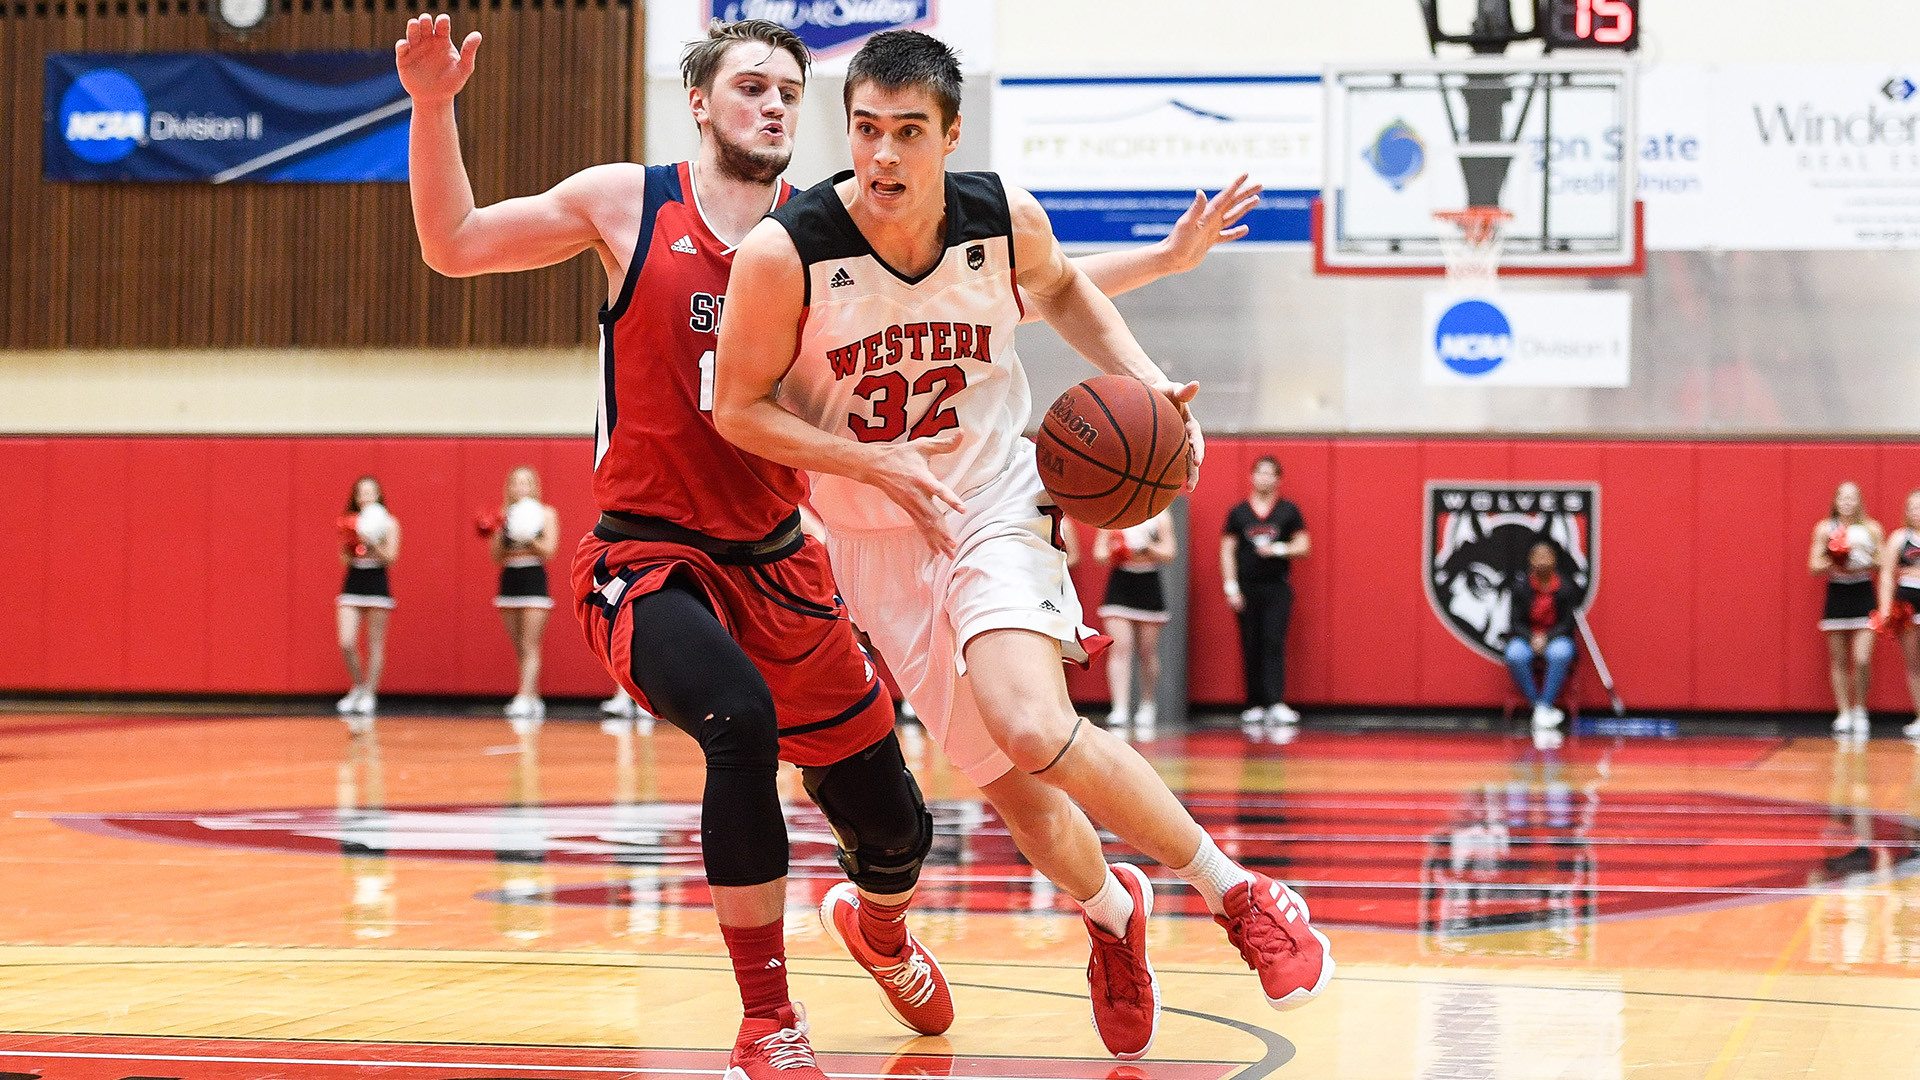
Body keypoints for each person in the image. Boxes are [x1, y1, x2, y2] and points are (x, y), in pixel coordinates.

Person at [397, 14, 1252, 1072]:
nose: (772, 105)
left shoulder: (829, 236)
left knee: (897, 828)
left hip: (786, 556)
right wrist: (433, 107)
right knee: (737, 723)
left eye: (790, 94)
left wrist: (1162, 265)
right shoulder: (628, 202)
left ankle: (884, 931)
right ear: (699, 101)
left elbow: (1005, 288)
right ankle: (768, 1019)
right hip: (651, 552)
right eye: (749, 85)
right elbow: (454, 244)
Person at [712, 29, 1332, 1062]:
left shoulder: (1000, 219)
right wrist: (865, 467)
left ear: (950, 135)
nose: (885, 157)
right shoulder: (789, 253)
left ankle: (1244, 894)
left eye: (910, 133)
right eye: (867, 130)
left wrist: (1145, 376)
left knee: (1031, 720)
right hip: (878, 542)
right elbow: (737, 410)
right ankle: (1111, 915)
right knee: (1019, 790)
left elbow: (1062, 291)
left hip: (999, 499)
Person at [1220, 456, 1309, 730]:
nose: (1265, 478)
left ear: (1278, 479)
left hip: (1276, 587)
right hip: (1247, 588)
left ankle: (1275, 702)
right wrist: (1231, 586)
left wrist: (1279, 549)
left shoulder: (1288, 511)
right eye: (1260, 473)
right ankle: (1254, 704)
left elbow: (1304, 545)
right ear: (1252, 476)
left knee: (1273, 641)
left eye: (1271, 474)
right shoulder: (1239, 513)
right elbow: (1227, 550)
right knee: (1251, 642)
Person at [489, 465, 560, 726]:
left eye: (526, 483)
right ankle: (532, 696)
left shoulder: (546, 513)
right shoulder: (503, 514)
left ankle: (524, 696)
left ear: (534, 486)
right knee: (519, 644)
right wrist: (498, 531)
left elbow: (549, 549)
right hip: (510, 579)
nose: (521, 487)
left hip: (533, 579)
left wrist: (528, 538)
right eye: (516, 483)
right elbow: (496, 556)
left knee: (531, 643)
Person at [1094, 510, 1176, 735]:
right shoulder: (1113, 514)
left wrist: (1147, 548)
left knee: (1147, 651)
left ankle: (1148, 704)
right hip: (1120, 582)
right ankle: (1119, 707)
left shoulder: (1161, 516)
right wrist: (1119, 550)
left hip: (1148, 582)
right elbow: (1099, 553)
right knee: (1120, 649)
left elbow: (1169, 552)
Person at [1810, 481, 1881, 737]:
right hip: (1838, 594)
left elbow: (1883, 561)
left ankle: (1860, 708)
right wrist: (1835, 558)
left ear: (1860, 501)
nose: (1847, 502)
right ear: (1836, 501)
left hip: (1863, 593)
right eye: (1843, 498)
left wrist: (1862, 558)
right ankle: (1843, 712)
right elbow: (1813, 565)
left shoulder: (1871, 528)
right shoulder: (1825, 528)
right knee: (1839, 659)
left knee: (1862, 659)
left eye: (1852, 498)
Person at [336, 475, 399, 718]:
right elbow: (343, 558)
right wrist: (353, 541)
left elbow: (391, 557)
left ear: (379, 495)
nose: (366, 496)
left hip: (377, 582)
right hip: (353, 581)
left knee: (375, 643)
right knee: (346, 641)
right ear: (356, 497)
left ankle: (370, 692)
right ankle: (359, 685)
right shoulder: (350, 521)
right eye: (361, 492)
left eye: (371, 491)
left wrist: (373, 542)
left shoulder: (390, 523)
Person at [1504, 540, 1581, 730]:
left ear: (1554, 560)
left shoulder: (1566, 587)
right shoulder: (1521, 587)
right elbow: (1515, 622)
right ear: (1530, 561)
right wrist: (1532, 637)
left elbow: (1568, 623)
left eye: (1546, 557)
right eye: (1537, 557)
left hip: (1556, 638)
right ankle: (1538, 706)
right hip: (1528, 638)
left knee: (1560, 654)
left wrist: (1547, 638)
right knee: (1514, 654)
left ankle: (1545, 703)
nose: (1542, 562)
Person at [1877, 488, 1920, 739]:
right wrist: (1884, 607)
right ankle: (1919, 715)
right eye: (1912, 507)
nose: (1917, 511)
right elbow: (1885, 574)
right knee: (1913, 662)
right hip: (1907, 606)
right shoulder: (1898, 538)